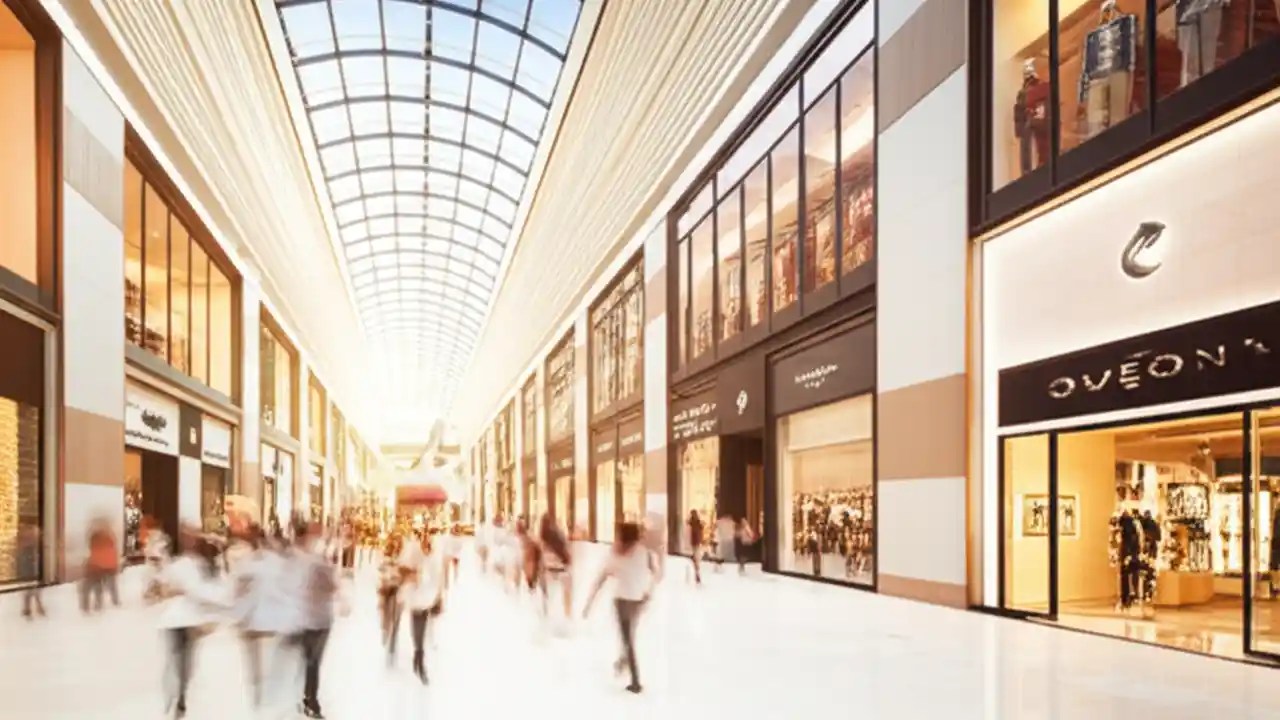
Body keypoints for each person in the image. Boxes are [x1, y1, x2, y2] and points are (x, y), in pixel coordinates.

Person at [154, 525, 231, 718]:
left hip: (190, 621)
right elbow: (161, 587)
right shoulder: (179, 564)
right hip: (175, 621)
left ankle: (179, 695)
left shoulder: (202, 566)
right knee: (177, 661)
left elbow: (212, 592)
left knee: (184, 662)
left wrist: (211, 614)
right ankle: (175, 695)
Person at [583, 522, 656, 695]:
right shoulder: (644, 552)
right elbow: (654, 573)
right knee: (630, 635)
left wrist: (589, 603)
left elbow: (602, 578)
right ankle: (624, 661)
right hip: (638, 599)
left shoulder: (616, 554)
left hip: (623, 600)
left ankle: (635, 680)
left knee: (628, 640)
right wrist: (648, 592)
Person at [232, 525, 295, 710]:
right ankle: (264, 703)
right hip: (269, 623)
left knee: (256, 671)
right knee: (269, 669)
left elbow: (238, 592)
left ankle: (258, 701)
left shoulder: (247, 563)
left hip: (252, 622)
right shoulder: (277, 563)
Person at [290, 522, 338, 719]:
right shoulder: (316, 561)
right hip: (315, 618)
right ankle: (311, 701)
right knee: (312, 662)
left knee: (309, 661)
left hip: (311, 617)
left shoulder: (298, 558)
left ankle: (307, 698)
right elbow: (331, 586)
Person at [401, 532, 444, 683]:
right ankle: (418, 655)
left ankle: (419, 658)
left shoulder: (433, 559)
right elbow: (405, 572)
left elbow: (437, 578)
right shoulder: (414, 555)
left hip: (426, 599)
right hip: (415, 598)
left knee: (422, 628)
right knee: (416, 629)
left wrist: (439, 597)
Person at [82, 517, 120, 612]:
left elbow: (93, 549)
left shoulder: (98, 537)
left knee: (93, 587)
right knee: (107, 587)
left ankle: (91, 608)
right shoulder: (108, 536)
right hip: (105, 567)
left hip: (98, 567)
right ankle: (106, 605)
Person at [539, 514, 573, 620]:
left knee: (548, 598)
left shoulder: (542, 538)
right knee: (566, 598)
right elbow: (568, 552)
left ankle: (548, 618)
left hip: (549, 571)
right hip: (562, 570)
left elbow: (541, 557)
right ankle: (567, 619)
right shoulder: (559, 536)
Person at [19, 524, 44, 618]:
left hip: (31, 572)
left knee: (32, 591)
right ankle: (32, 609)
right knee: (31, 590)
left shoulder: (31, 549)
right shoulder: (29, 550)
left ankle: (31, 609)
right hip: (30, 572)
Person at [687, 510, 704, 585]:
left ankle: (696, 572)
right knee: (696, 558)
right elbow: (700, 533)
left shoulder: (691, 523)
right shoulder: (698, 523)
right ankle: (697, 572)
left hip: (693, 543)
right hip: (696, 543)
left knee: (695, 558)